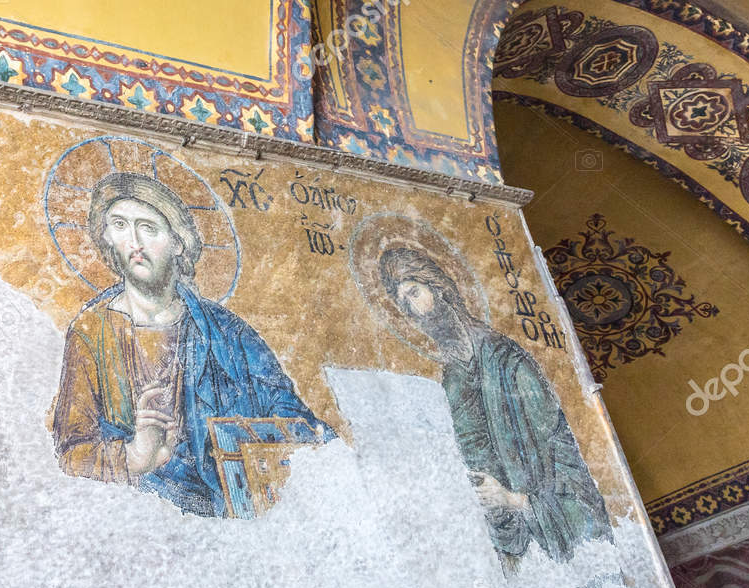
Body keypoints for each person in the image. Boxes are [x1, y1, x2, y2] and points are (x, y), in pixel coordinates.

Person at [50, 171, 330, 516]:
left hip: (230, 517)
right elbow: (69, 454)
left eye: (148, 228)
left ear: (178, 241)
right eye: (120, 226)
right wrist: (137, 456)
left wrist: (229, 441)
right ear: (107, 238)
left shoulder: (229, 334)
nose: (134, 242)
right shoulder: (91, 332)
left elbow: (300, 425)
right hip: (135, 517)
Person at [378, 246, 611, 565]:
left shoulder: (510, 364)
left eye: (415, 293)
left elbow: (569, 463)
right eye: (404, 304)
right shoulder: (452, 378)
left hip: (551, 534)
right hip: (503, 539)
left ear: (440, 289)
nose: (414, 311)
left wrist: (515, 500)